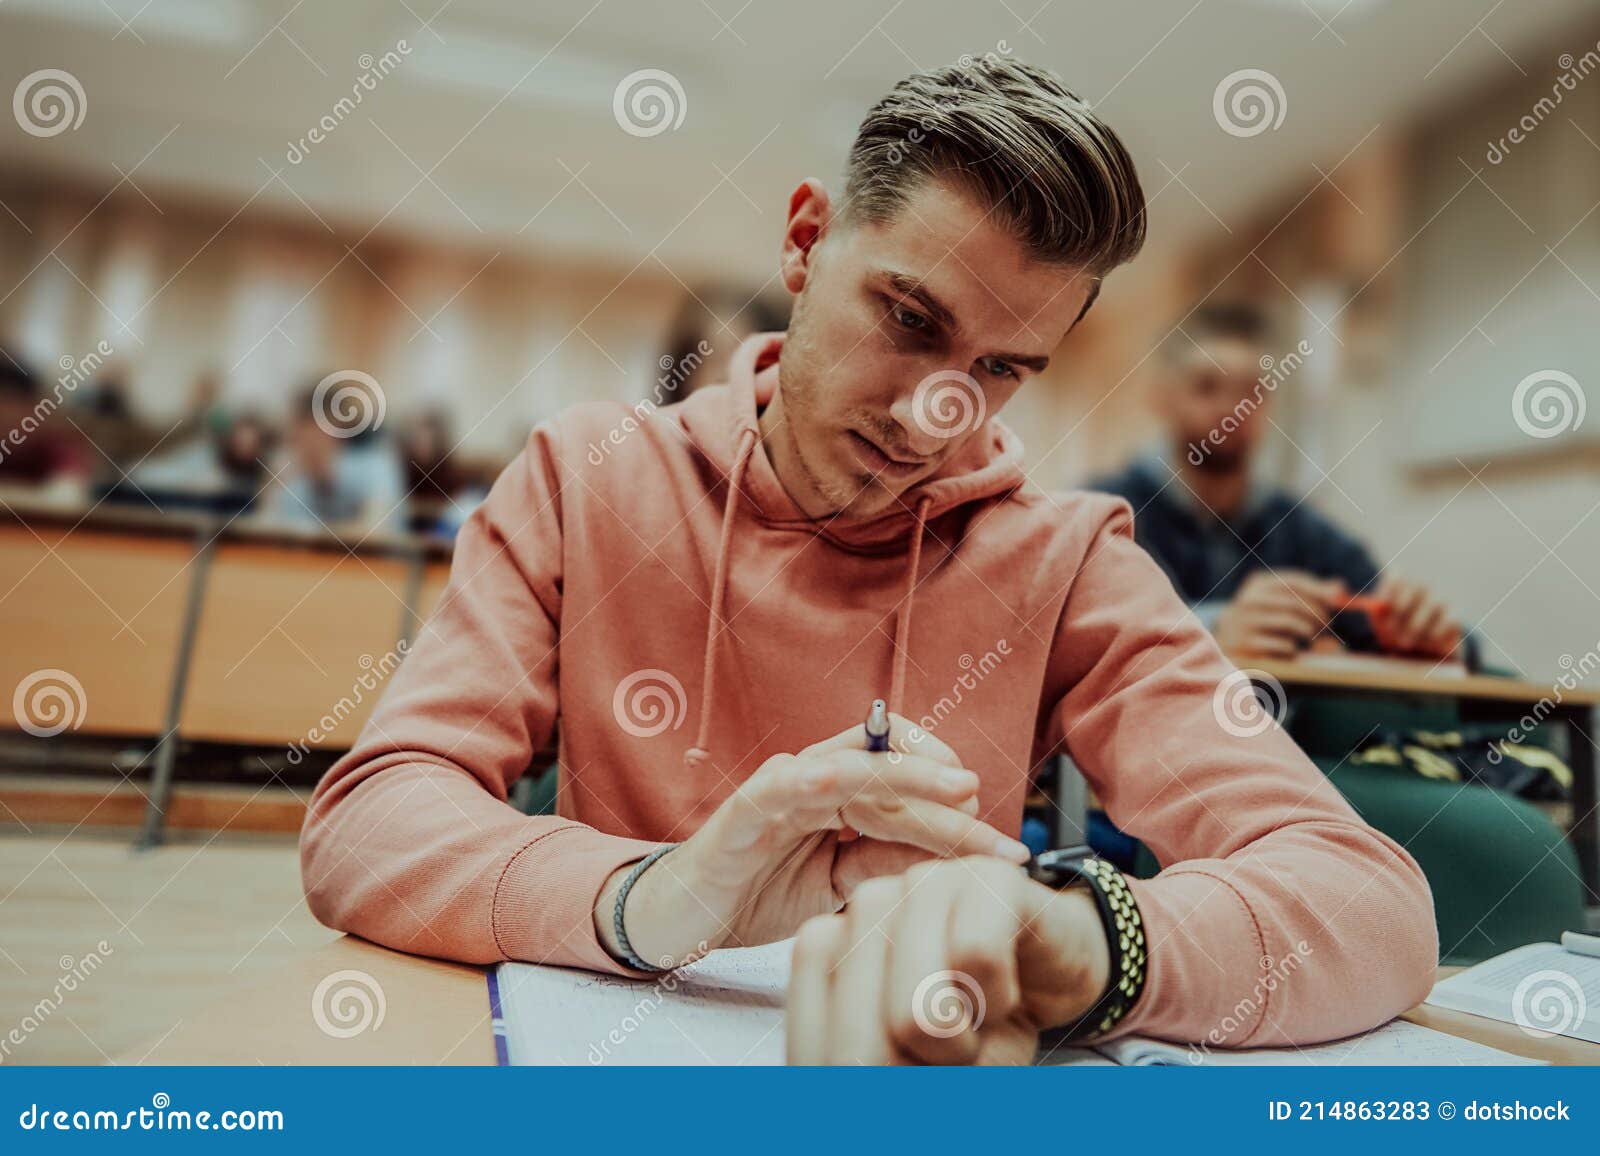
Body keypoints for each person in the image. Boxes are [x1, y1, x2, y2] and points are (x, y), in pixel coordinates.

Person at [300, 57, 1436, 1064]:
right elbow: (370, 821)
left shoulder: (1066, 561)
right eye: (909, 319)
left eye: (1000, 368)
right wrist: (657, 895)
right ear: (805, 241)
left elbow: (1372, 906)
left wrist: (1083, 941)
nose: (935, 413)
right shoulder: (584, 477)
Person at [1091, 302, 1461, 661]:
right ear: (1160, 397)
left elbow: (1417, 628)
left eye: (1252, 391)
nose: (1233, 408)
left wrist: (1426, 638)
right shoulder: (1102, 514)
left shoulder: (1301, 529)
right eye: (1206, 386)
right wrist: (1209, 628)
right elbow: (1075, 640)